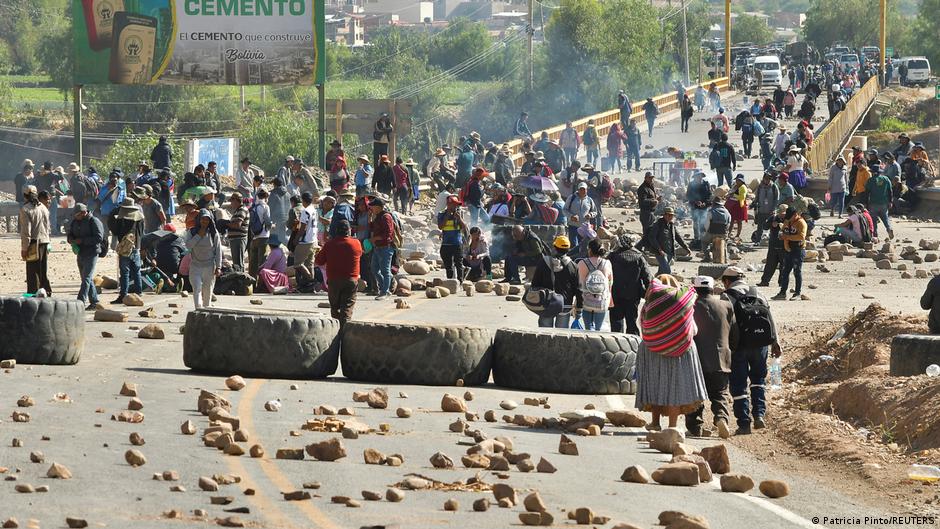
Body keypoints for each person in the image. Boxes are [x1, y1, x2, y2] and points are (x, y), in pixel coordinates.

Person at [636, 276, 708, 431]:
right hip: (681, 351)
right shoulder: (684, 303)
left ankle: (655, 423)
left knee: (655, 385)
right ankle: (673, 426)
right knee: (675, 387)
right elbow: (694, 329)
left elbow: (641, 325)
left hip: (652, 351)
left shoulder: (648, 304)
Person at [720, 267, 782, 435]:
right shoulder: (758, 292)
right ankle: (759, 414)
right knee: (758, 381)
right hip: (761, 344)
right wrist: (775, 342)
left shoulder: (727, 296)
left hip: (738, 347)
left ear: (727, 281)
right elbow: (770, 317)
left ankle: (744, 423)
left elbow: (724, 324)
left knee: (739, 385)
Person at [686, 275, 737, 439]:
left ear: (694, 289)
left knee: (695, 395)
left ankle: (695, 427)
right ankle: (721, 418)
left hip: (696, 359)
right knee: (720, 393)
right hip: (721, 358)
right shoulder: (726, 305)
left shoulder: (690, 306)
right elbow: (734, 332)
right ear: (713, 288)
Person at [315, 219, 363, 325]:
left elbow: (319, 261)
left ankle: (337, 333)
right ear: (349, 231)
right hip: (351, 280)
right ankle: (344, 332)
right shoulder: (356, 243)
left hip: (333, 281)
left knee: (335, 309)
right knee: (347, 309)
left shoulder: (329, 244)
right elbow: (359, 255)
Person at [530, 235, 581, 329]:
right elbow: (577, 288)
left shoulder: (543, 262)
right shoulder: (573, 266)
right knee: (561, 333)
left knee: (545, 332)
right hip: (565, 304)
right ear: (568, 249)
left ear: (555, 247)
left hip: (546, 303)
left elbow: (535, 283)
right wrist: (579, 308)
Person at [608, 235, 652, 334]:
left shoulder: (612, 256)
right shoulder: (639, 257)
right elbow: (647, 278)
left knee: (616, 324)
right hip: (633, 295)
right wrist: (648, 294)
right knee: (632, 323)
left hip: (616, 295)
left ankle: (617, 347)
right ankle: (634, 346)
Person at [67, 203, 104, 309]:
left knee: (86, 278)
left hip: (91, 252)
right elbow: (71, 233)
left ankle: (80, 302)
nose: (75, 217)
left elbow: (99, 238)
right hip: (80, 252)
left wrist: (82, 240)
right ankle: (94, 301)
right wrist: (70, 239)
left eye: (77, 215)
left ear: (84, 213)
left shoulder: (94, 221)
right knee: (86, 278)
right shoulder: (75, 221)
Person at [110, 198, 145, 304]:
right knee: (136, 271)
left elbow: (115, 231)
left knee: (125, 272)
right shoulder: (140, 218)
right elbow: (142, 232)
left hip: (125, 248)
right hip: (136, 247)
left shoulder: (122, 219)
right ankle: (139, 293)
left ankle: (123, 295)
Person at [186, 209, 223, 309]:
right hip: (195, 266)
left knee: (207, 290)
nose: (204, 222)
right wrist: (198, 236)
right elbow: (188, 246)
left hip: (209, 266)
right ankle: (198, 310)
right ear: (198, 220)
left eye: (207, 219)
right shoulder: (192, 232)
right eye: (203, 219)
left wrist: (219, 267)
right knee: (197, 288)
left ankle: (206, 311)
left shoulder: (213, 233)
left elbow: (218, 251)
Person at [19, 185, 52, 295]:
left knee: (33, 272)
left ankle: (34, 295)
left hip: (33, 243)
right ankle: (46, 291)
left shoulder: (25, 209)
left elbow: (26, 232)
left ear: (25, 196)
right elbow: (48, 226)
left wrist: (24, 249)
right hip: (45, 242)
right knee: (43, 269)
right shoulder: (43, 207)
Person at [577, 239, 612, 331]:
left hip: (586, 301)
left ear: (590, 250)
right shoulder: (607, 263)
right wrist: (610, 300)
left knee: (588, 329)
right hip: (601, 301)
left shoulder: (582, 263)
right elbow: (610, 282)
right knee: (598, 329)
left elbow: (579, 283)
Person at [773, 206, 806, 301]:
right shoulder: (787, 221)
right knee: (785, 272)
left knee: (797, 272)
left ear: (795, 215)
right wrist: (781, 235)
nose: (788, 219)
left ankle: (797, 293)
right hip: (788, 249)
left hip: (798, 250)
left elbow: (801, 237)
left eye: (790, 216)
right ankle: (782, 293)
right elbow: (783, 230)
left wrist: (787, 237)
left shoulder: (801, 223)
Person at [369, 197, 396, 300]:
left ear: (378, 207)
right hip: (378, 247)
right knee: (374, 269)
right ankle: (385, 288)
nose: (371, 208)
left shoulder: (385, 217)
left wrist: (375, 238)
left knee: (385, 270)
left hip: (386, 247)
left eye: (373, 207)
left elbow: (388, 234)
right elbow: (372, 228)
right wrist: (370, 218)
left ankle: (384, 291)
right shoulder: (377, 216)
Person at [648, 207, 689, 275]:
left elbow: (678, 237)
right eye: (669, 215)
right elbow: (652, 237)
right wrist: (659, 249)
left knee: (662, 272)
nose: (670, 217)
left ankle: (655, 282)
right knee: (667, 271)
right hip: (660, 252)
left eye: (672, 215)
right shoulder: (658, 224)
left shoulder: (671, 225)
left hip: (670, 252)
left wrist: (686, 247)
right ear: (664, 215)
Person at [438, 195, 468, 280]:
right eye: (454, 204)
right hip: (446, 243)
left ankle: (460, 280)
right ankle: (450, 281)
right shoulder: (442, 214)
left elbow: (464, 227)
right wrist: (447, 217)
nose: (455, 207)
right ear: (448, 204)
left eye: (456, 205)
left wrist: (459, 219)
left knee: (459, 263)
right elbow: (440, 226)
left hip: (457, 243)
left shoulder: (459, 213)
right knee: (448, 264)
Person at [563, 182, 597, 251]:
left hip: (584, 228)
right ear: (578, 190)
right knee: (574, 245)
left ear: (587, 190)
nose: (583, 191)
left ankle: (580, 260)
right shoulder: (572, 198)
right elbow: (564, 210)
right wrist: (571, 216)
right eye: (581, 189)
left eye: (584, 189)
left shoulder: (589, 200)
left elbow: (595, 212)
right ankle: (573, 260)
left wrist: (590, 215)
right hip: (573, 226)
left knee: (583, 246)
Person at [865, 165, 894, 239]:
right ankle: (889, 228)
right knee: (885, 218)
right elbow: (890, 191)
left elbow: (867, 192)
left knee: (873, 220)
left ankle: (875, 234)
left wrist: (866, 203)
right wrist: (890, 201)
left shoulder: (870, 180)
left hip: (873, 203)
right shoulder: (886, 179)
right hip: (884, 203)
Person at [248, 189, 272, 277]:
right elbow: (268, 222)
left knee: (253, 262)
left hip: (254, 237)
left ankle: (252, 282)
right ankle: (261, 283)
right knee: (262, 261)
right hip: (264, 236)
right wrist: (271, 227)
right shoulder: (265, 207)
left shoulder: (253, 207)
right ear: (266, 197)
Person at [293, 192, 318, 275]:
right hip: (313, 239)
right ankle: (311, 286)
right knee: (309, 264)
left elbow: (303, 227)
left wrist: (296, 238)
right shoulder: (314, 209)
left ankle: (310, 280)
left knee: (297, 264)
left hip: (306, 241)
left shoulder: (305, 211)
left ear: (303, 200)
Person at [752, 173, 779, 243]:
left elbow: (776, 199)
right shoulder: (760, 187)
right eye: (766, 179)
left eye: (769, 179)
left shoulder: (773, 187)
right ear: (763, 179)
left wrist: (773, 209)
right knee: (760, 227)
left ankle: (771, 241)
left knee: (771, 227)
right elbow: (757, 197)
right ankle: (758, 241)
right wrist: (754, 204)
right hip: (761, 210)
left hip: (770, 211)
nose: (767, 181)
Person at [686, 172, 711, 248]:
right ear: (695, 177)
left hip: (704, 207)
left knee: (703, 223)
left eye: (701, 176)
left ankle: (702, 239)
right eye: (698, 177)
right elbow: (688, 195)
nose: (699, 178)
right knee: (696, 223)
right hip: (694, 207)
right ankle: (696, 238)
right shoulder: (691, 184)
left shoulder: (706, 184)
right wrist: (696, 201)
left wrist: (705, 203)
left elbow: (709, 195)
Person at [703, 196, 730, 263]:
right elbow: (728, 223)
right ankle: (726, 259)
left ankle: (707, 257)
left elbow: (707, 225)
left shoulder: (711, 211)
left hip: (712, 232)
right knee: (724, 244)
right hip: (723, 233)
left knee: (704, 242)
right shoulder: (727, 212)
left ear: (714, 203)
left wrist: (706, 232)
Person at [226, 192, 249, 273]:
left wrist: (226, 224)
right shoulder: (238, 211)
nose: (231, 203)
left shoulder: (242, 210)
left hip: (239, 239)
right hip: (235, 239)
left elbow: (237, 225)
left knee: (239, 263)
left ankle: (241, 282)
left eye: (232, 201)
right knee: (236, 263)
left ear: (236, 200)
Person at [726, 175, 748, 240]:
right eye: (736, 180)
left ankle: (738, 234)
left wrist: (733, 195)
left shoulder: (743, 187)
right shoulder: (735, 186)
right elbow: (730, 192)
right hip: (733, 205)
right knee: (731, 220)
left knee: (739, 221)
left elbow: (742, 197)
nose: (737, 181)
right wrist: (729, 195)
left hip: (739, 205)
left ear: (741, 181)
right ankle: (729, 233)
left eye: (738, 180)